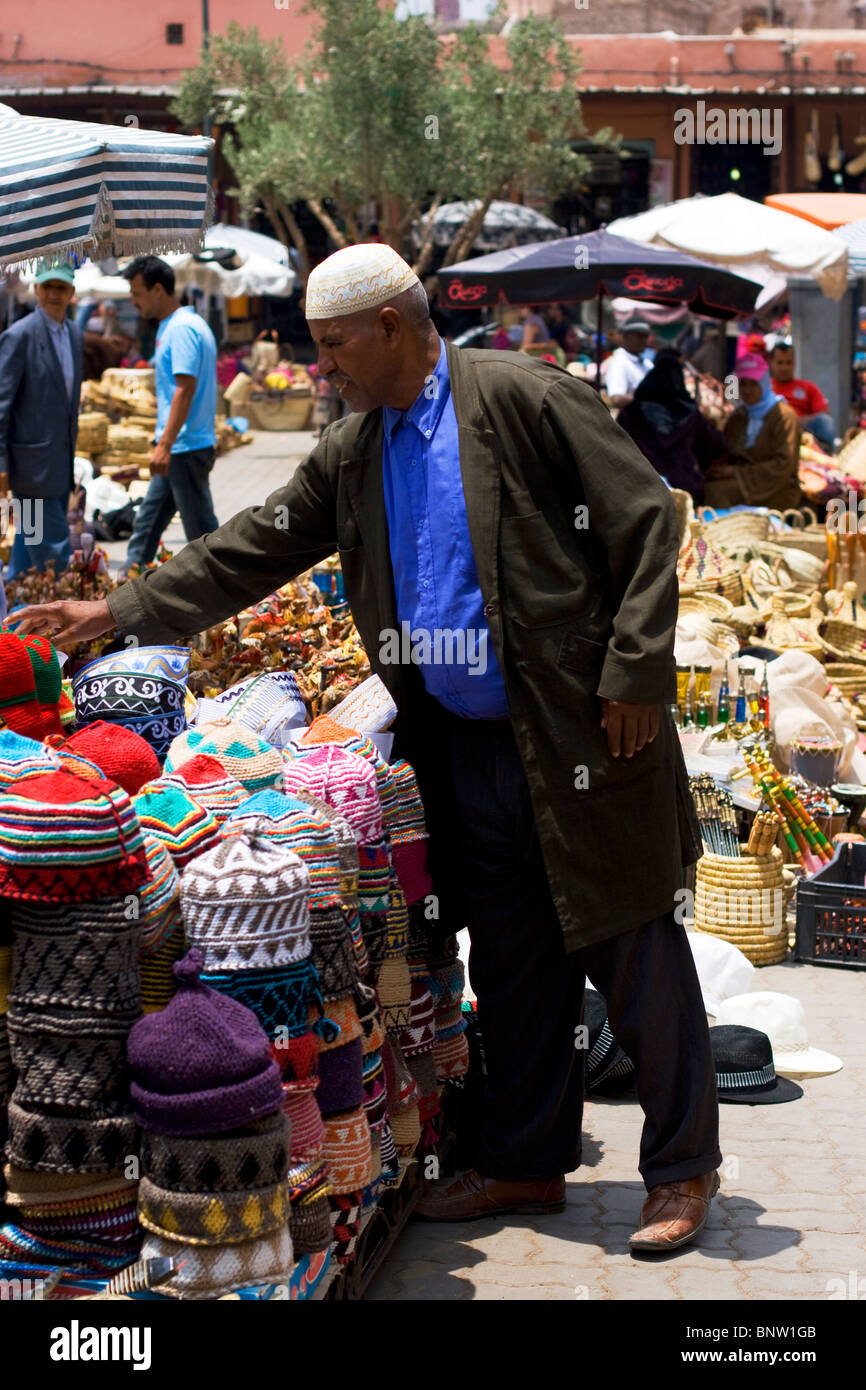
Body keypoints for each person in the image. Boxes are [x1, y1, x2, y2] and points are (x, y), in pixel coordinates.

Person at [13, 243, 721, 1254]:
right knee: (515, 960)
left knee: (631, 944)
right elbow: (253, 542)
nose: (324, 368)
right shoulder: (355, 446)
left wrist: (634, 672)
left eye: (336, 345)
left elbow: (646, 521)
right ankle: (523, 1163)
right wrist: (117, 609)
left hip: (576, 730)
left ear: (392, 324)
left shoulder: (520, 398)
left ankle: (681, 1173)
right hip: (460, 742)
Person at [119, 256, 219, 574]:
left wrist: (164, 443)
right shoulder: (175, 326)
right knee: (148, 521)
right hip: (178, 445)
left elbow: (184, 388)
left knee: (203, 536)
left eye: (137, 293)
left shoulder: (183, 328)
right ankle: (130, 580)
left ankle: (224, 595)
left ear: (158, 289)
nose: (133, 301)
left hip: (184, 447)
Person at [0, 259, 83, 579]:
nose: (53, 294)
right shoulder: (18, 336)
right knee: (53, 555)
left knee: (28, 548)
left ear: (71, 291)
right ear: (36, 288)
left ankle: (15, 616)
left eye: (60, 287)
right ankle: (55, 620)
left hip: (59, 463)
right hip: (30, 469)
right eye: (47, 286)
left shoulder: (74, 334)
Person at [617, 349, 727, 504]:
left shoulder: (630, 413)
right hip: (684, 492)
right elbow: (715, 447)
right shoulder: (690, 415)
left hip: (640, 489)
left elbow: (616, 449)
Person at [704, 352, 802, 512]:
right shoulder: (739, 416)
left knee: (717, 492)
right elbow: (728, 451)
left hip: (776, 487)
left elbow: (783, 465)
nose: (747, 390)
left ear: (764, 383)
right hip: (741, 481)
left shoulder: (784, 417)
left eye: (753, 384)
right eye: (743, 384)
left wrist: (737, 472)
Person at [768, 341, 835, 452]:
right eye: (780, 363)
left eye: (788, 363)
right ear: (771, 363)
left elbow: (824, 414)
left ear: (794, 363)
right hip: (773, 431)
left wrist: (796, 421)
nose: (784, 368)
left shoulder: (808, 387)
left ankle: (825, 457)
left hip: (804, 432)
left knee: (825, 421)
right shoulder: (764, 388)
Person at [603, 314, 654, 406]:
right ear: (626, 337)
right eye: (639, 336)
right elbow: (617, 398)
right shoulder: (619, 362)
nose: (643, 340)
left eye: (645, 336)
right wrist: (648, 397)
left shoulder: (647, 363)